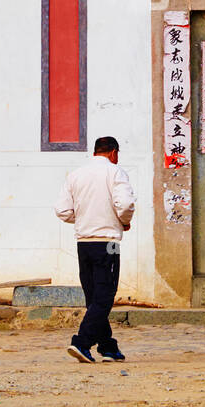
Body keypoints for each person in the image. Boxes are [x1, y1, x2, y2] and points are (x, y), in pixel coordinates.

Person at [55, 136, 135, 363]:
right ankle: (82, 341)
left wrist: (83, 218)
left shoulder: (75, 175)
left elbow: (62, 210)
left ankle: (108, 346)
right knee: (104, 296)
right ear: (113, 153)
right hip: (107, 241)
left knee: (94, 296)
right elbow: (126, 204)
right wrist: (123, 220)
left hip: (83, 242)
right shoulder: (115, 172)